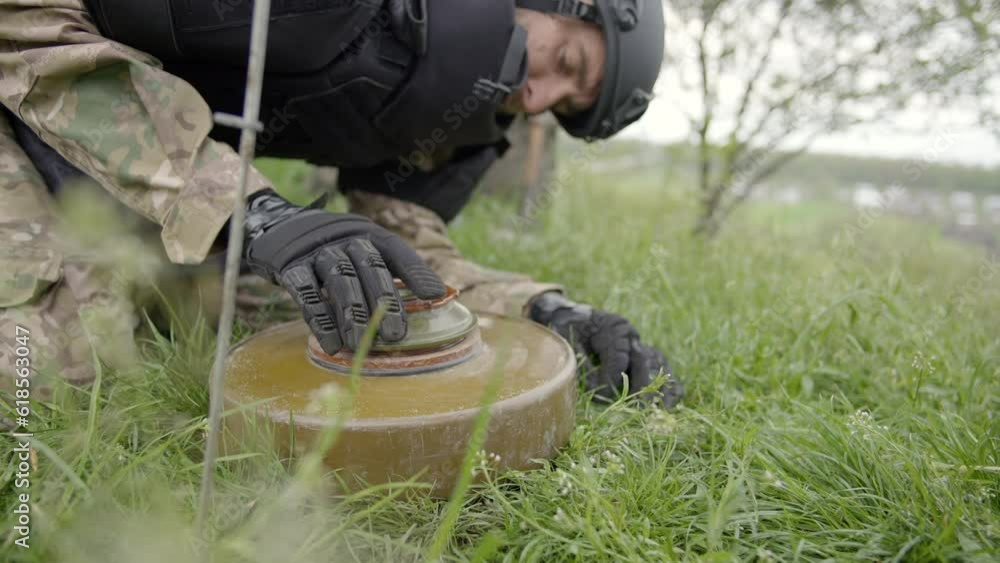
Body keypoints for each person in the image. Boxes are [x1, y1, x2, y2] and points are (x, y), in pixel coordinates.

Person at [0, 0, 682, 408]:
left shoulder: (456, 111)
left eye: (562, 107)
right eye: (565, 62)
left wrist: (547, 312)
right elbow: (23, 26)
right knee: (49, 375)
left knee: (332, 306)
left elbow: (409, 268)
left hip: (118, 170)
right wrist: (253, 211)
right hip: (27, 81)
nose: (535, 99)